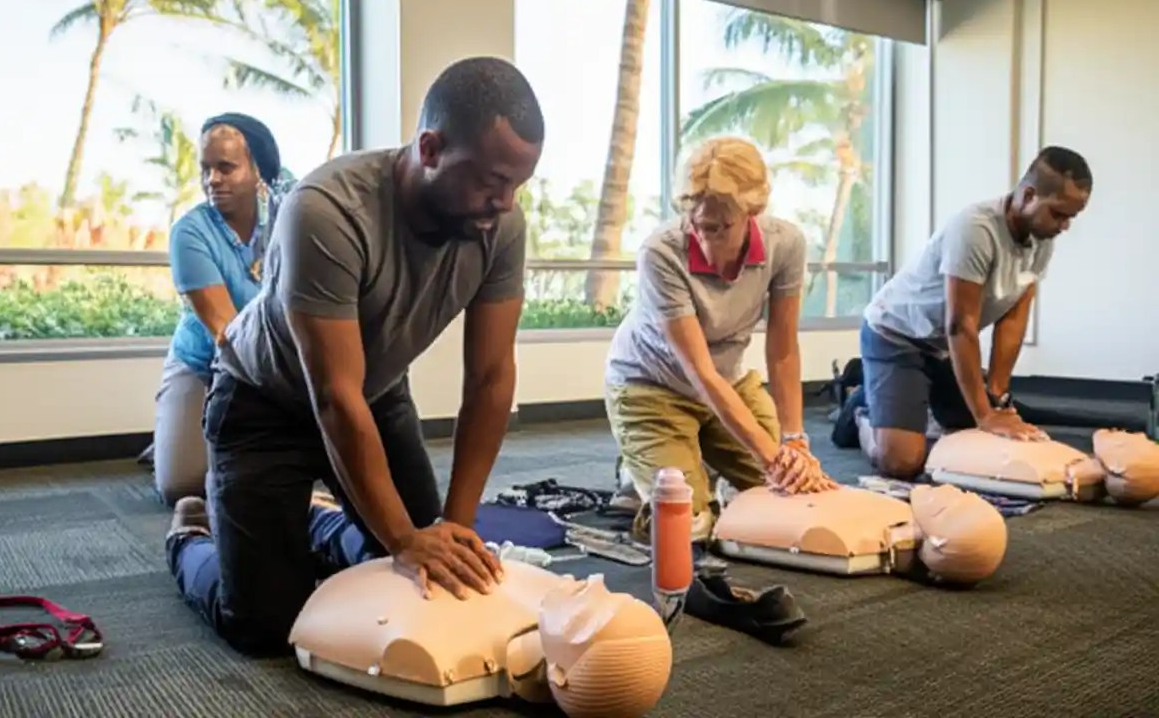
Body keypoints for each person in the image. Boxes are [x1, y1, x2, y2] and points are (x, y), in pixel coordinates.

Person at [164, 56, 545, 656]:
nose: (503, 202)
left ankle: (311, 524)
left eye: (517, 185)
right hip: (264, 402)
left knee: (427, 576)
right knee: (265, 626)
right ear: (430, 148)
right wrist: (402, 536)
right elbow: (333, 397)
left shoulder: (501, 225)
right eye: (490, 181)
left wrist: (454, 526)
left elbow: (492, 378)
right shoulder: (326, 210)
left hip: (376, 392)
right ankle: (192, 534)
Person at [603, 136, 836, 544]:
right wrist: (772, 458)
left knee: (797, 493)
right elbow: (700, 373)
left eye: (718, 227)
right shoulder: (660, 253)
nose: (704, 240)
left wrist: (793, 443)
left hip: (730, 382)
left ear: (753, 212)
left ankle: (706, 463)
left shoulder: (786, 244)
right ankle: (637, 474)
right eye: (696, 224)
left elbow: (782, 352)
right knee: (688, 526)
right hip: (651, 388)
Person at [852, 145, 1092, 479]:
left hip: (942, 349)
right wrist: (985, 415)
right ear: (1028, 194)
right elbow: (960, 326)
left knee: (977, 436)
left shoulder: (1042, 237)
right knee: (902, 463)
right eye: (1058, 214)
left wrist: (996, 395)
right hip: (896, 337)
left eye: (1071, 217)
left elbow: (1014, 315)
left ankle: (896, 400)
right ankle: (863, 412)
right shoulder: (976, 229)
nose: (1064, 226)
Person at [149, 113, 293, 505]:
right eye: (206, 169)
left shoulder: (292, 211)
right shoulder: (190, 232)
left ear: (259, 171)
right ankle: (175, 429)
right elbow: (228, 337)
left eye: (226, 168)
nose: (212, 180)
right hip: (207, 361)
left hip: (281, 363)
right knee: (181, 485)